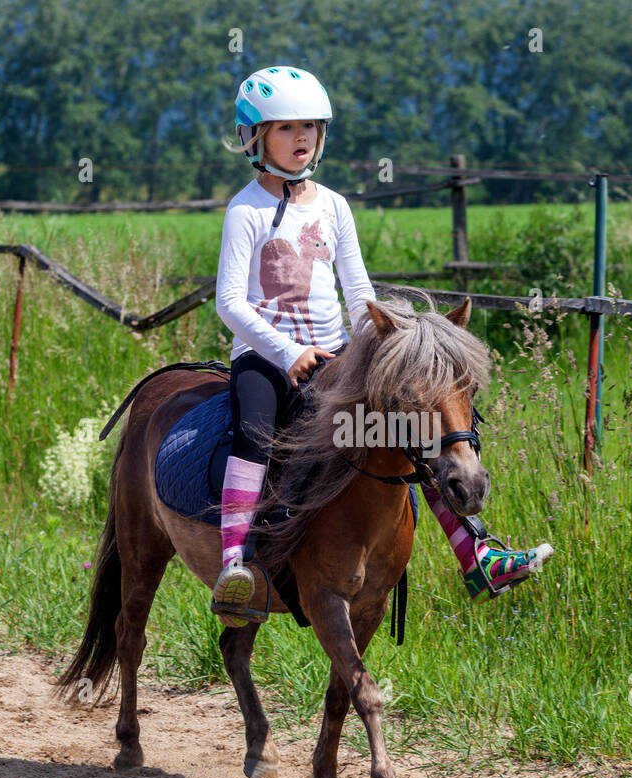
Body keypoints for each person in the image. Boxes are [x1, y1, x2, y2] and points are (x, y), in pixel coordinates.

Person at [211, 65, 552, 627]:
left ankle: (478, 552)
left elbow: (358, 293)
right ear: (255, 137)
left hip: (335, 352)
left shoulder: (334, 206)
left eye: (311, 128)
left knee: (411, 430)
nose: (302, 139)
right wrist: (285, 352)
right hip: (265, 357)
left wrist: (380, 343)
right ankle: (233, 566)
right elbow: (231, 303)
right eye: (286, 128)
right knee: (252, 436)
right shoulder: (244, 211)